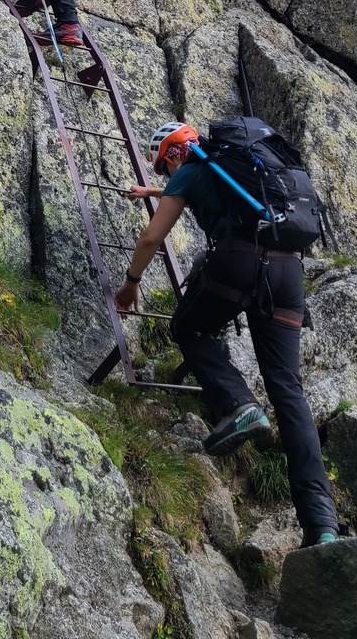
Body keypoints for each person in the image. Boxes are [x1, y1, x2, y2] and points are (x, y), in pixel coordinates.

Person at [113, 120, 339, 549]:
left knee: (188, 326)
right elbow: (218, 194)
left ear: (174, 152)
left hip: (239, 260)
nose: (165, 174)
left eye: (163, 167)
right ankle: (322, 525)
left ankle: (239, 405)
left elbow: (151, 237)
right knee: (289, 390)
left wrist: (131, 281)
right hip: (289, 271)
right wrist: (156, 193)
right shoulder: (242, 167)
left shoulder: (191, 166)